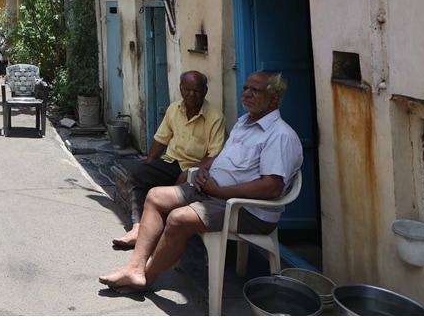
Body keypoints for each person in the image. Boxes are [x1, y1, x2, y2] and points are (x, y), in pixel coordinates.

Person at [98, 71, 303, 294]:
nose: (247, 93)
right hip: (213, 192)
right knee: (156, 195)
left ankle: (147, 278)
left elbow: (272, 187)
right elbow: (221, 157)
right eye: (245, 88)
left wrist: (221, 191)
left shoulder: (280, 136)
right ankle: (135, 267)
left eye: (255, 90)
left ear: (273, 99)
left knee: (178, 218)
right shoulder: (244, 123)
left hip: (246, 209)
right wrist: (206, 170)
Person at [112, 70, 224, 249]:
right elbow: (161, 140)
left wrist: (189, 173)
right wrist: (149, 164)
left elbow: (214, 155)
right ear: (181, 89)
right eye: (187, 89)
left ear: (205, 91)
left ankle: (157, 231)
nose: (191, 94)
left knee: (172, 189)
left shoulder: (215, 117)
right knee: (139, 175)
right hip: (171, 162)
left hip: (193, 167)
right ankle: (138, 228)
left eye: (196, 90)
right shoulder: (174, 109)